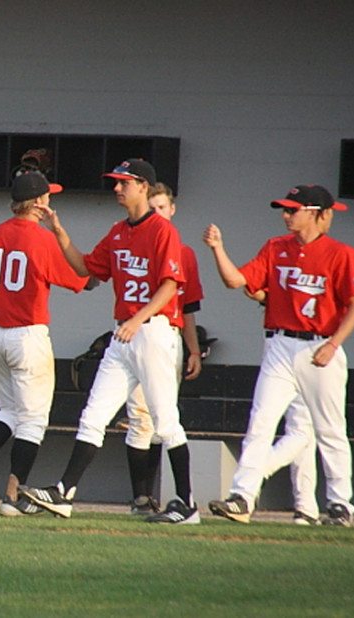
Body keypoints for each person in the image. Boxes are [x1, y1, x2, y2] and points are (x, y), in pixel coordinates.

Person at [20, 159, 200, 524]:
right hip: (125, 334)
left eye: (124, 183)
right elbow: (86, 268)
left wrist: (137, 319)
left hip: (152, 331)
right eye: (116, 183)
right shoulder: (118, 230)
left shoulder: (163, 231)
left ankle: (186, 504)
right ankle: (64, 492)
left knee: (165, 422)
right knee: (94, 415)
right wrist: (59, 232)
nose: (117, 189)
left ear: (143, 187)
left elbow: (170, 286)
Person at [204, 184, 354, 526]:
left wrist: (333, 344)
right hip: (279, 344)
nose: (286, 216)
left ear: (317, 214)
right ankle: (242, 497)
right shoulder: (276, 247)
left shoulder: (342, 254)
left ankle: (340, 503)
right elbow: (237, 281)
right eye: (285, 210)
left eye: (293, 210)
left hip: (320, 344)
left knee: (330, 429)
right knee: (261, 421)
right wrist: (218, 249)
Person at [0, 172, 88, 515]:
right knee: (33, 420)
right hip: (27, 336)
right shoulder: (42, 240)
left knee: (10, 410)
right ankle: (11, 497)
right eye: (48, 198)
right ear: (40, 203)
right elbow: (82, 281)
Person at [120, 182, 205, 515]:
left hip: (167, 338)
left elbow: (188, 308)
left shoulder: (184, 253)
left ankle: (175, 499)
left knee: (162, 415)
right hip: (138, 335)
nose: (156, 213)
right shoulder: (133, 239)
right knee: (139, 415)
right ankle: (140, 497)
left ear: (172, 210)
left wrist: (194, 351)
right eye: (151, 207)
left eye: (161, 208)